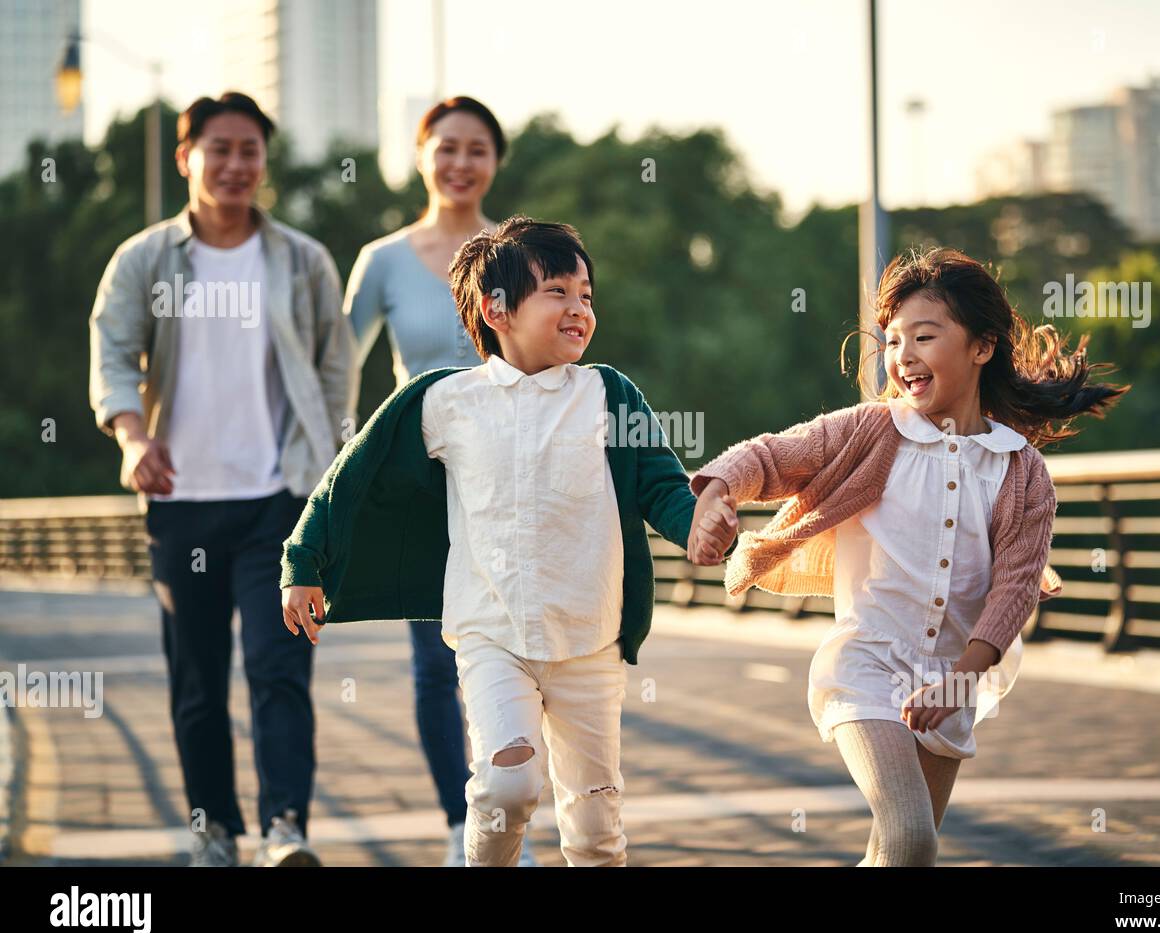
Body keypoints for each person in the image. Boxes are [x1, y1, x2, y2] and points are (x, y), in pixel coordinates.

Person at [281, 217, 736, 866]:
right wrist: (304, 561)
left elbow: (662, 489)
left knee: (596, 828)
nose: (579, 308)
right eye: (557, 291)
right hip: (491, 635)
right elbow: (351, 477)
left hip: (589, 639)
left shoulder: (608, 394)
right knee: (506, 787)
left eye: (586, 295)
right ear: (496, 309)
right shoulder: (445, 402)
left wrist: (701, 525)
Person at [686, 247, 1127, 866]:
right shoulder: (873, 431)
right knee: (911, 835)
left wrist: (964, 676)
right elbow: (771, 455)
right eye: (893, 341)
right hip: (867, 664)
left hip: (954, 677)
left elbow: (1016, 587)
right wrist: (716, 493)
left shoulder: (1020, 470)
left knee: (902, 855)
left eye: (924, 336)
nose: (903, 357)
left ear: (982, 347)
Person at [88, 91, 357, 866]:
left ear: (263, 163)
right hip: (180, 501)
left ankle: (284, 830)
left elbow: (337, 364)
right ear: (187, 158)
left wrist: (324, 468)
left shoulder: (301, 259)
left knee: (280, 671)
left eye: (251, 151)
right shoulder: (145, 260)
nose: (237, 164)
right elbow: (111, 351)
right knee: (198, 682)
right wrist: (132, 436)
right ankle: (214, 832)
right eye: (221, 149)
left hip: (279, 501)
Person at [342, 96, 524, 865]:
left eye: (477, 148)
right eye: (446, 147)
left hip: (516, 478)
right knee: (432, 665)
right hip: (420, 487)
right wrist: (347, 473)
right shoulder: (382, 260)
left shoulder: (521, 251)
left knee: (519, 655)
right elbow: (334, 371)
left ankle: (513, 818)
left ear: (495, 161)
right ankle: (465, 826)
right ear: (422, 155)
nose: (460, 162)